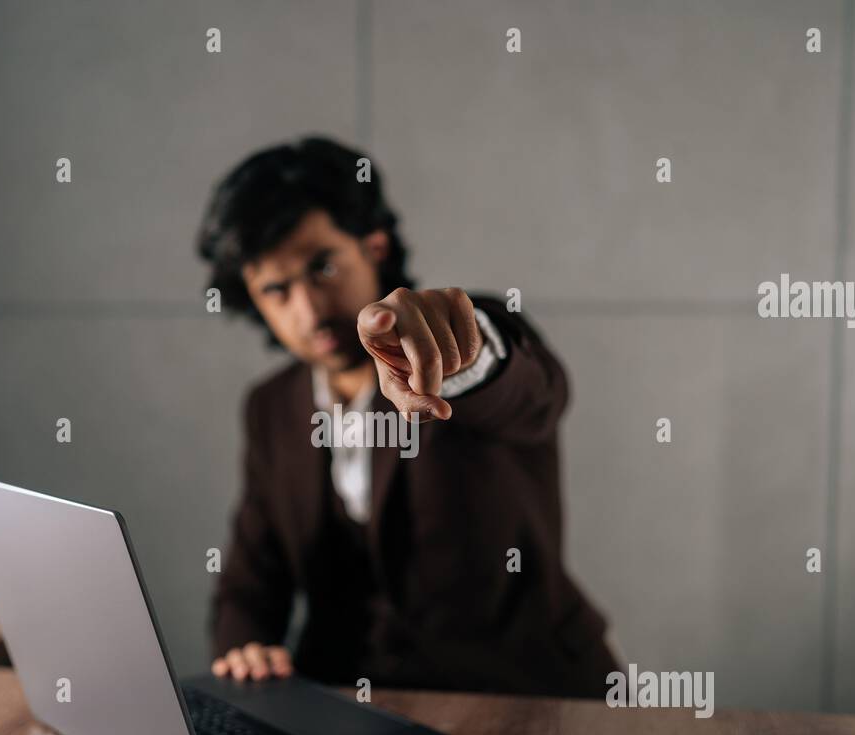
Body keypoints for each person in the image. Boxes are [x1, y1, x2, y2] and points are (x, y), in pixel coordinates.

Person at [195, 135, 619, 698]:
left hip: (531, 699)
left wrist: (459, 351)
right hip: (355, 716)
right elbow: (251, 580)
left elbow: (533, 393)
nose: (309, 309)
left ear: (374, 247)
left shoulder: (457, 337)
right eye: (277, 290)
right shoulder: (271, 407)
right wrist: (244, 652)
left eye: (322, 266)